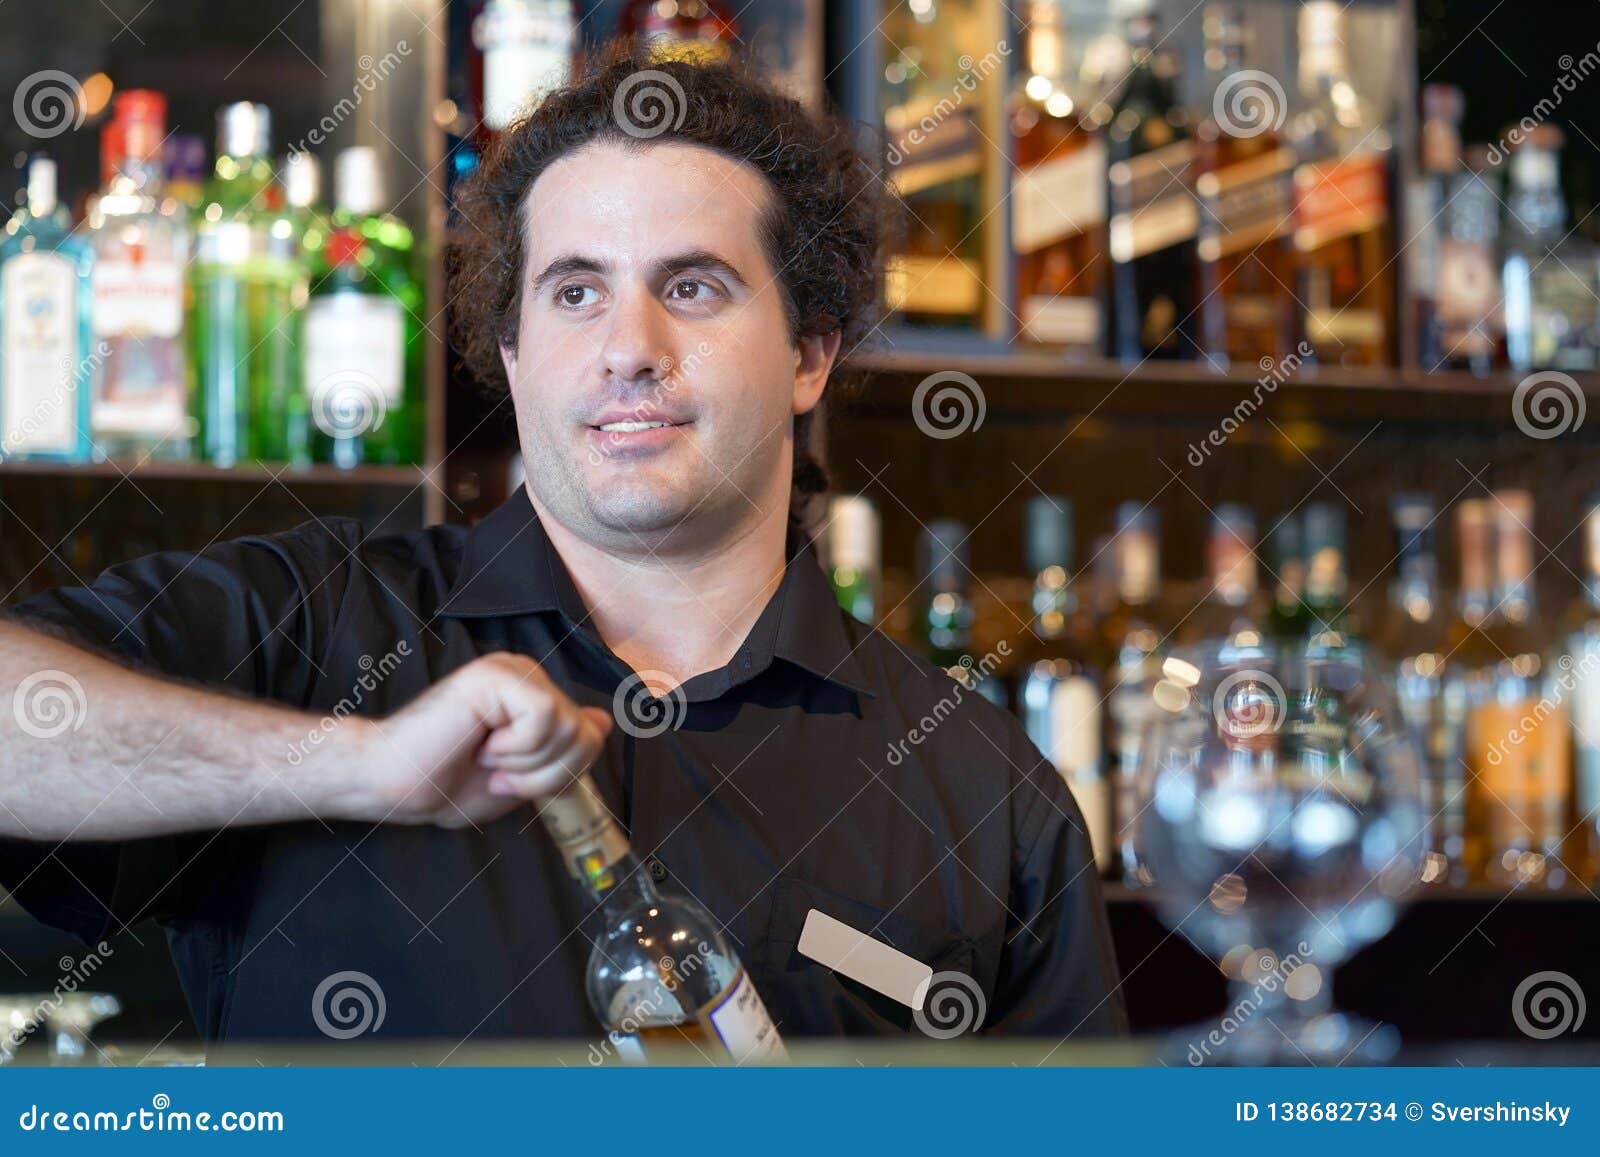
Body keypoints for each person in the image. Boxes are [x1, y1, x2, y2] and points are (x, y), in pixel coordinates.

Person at [0, 54, 1125, 1045]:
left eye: (692, 286)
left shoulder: (984, 793)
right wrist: (349, 766)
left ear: (808, 355)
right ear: (514, 352)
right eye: (575, 291)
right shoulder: (311, 623)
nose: (629, 347)